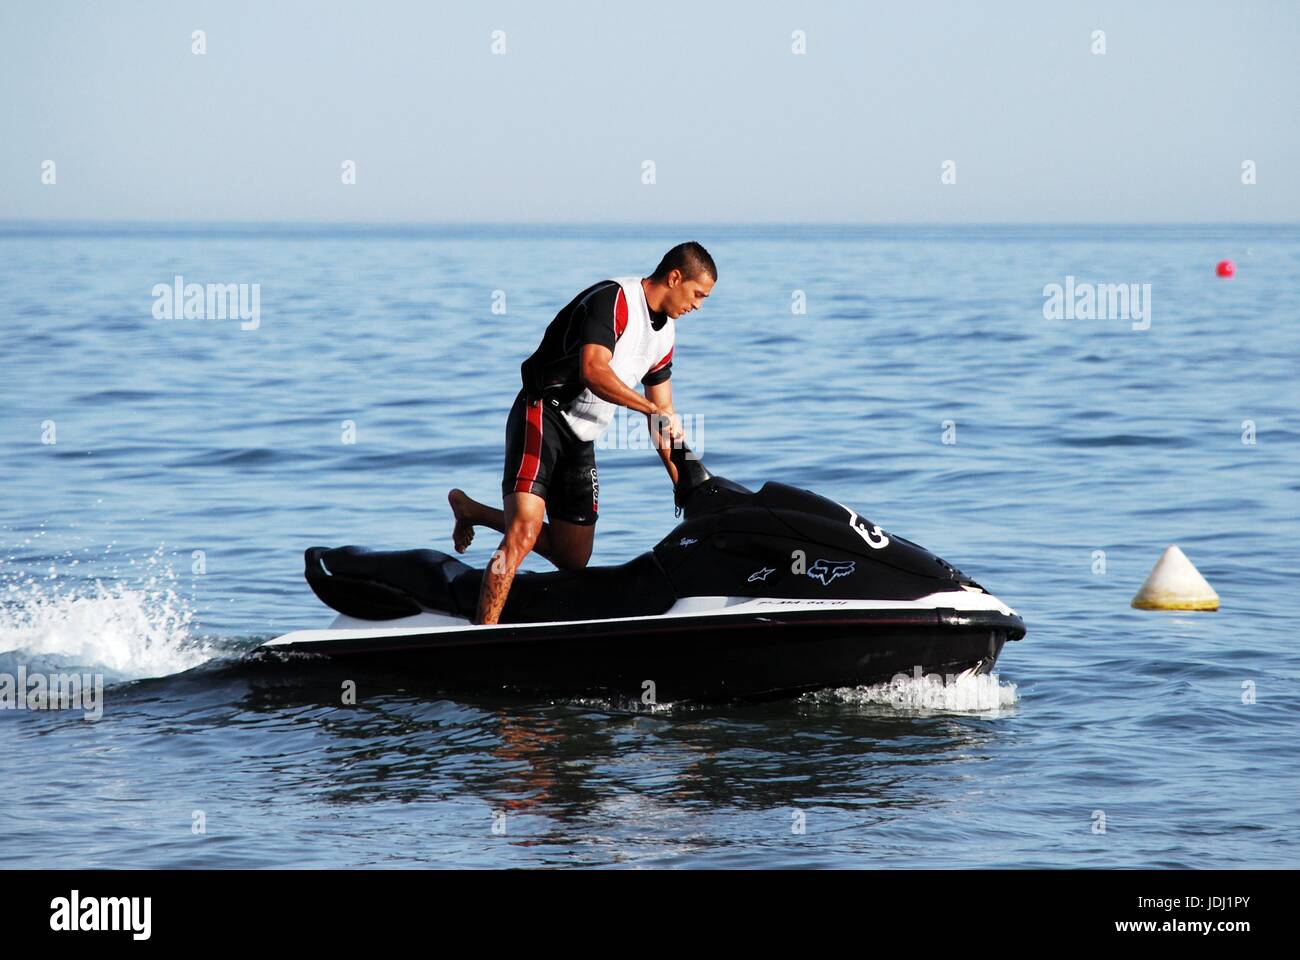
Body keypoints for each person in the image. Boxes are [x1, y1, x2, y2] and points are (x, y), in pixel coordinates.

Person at [447, 241, 716, 625]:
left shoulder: (665, 336)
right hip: (542, 413)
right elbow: (594, 370)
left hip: (583, 435)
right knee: (524, 531)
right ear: (675, 277)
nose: (698, 306)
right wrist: (649, 408)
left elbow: (663, 415)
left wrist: (686, 488)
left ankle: (472, 510)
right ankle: (481, 635)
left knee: (572, 556)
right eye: (698, 294)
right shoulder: (614, 301)